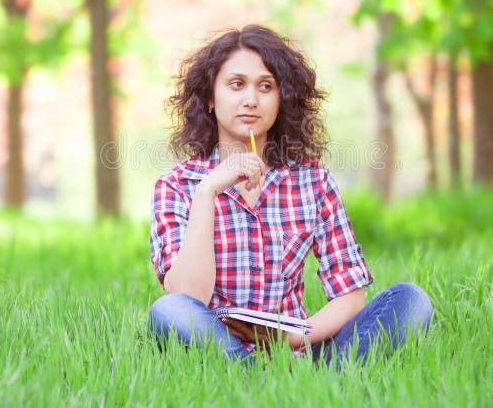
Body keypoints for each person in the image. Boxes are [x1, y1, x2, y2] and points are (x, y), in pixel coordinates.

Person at [148, 24, 432, 369]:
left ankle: (317, 384)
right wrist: (208, 191)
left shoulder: (311, 180)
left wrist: (294, 336)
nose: (251, 99)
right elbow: (187, 298)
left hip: (299, 352)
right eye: (236, 84)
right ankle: (258, 383)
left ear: (281, 99)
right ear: (210, 97)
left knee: (410, 300)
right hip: (219, 352)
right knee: (168, 311)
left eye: (266, 86)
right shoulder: (177, 186)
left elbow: (350, 294)